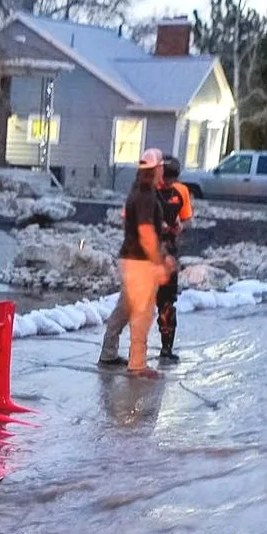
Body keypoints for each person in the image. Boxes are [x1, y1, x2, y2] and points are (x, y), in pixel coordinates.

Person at [98, 149, 175, 378]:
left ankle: (108, 353)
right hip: (140, 262)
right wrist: (160, 261)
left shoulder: (138, 191)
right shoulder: (146, 195)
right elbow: (145, 233)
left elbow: (137, 223)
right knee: (142, 313)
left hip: (130, 259)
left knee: (125, 308)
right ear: (157, 168)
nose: (163, 170)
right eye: (161, 167)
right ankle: (137, 364)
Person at [156, 155, 195, 365]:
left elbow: (188, 219)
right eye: (165, 178)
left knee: (167, 303)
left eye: (171, 178)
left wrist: (180, 226)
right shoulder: (148, 190)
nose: (167, 182)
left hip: (168, 252)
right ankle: (135, 350)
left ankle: (167, 348)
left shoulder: (181, 191)